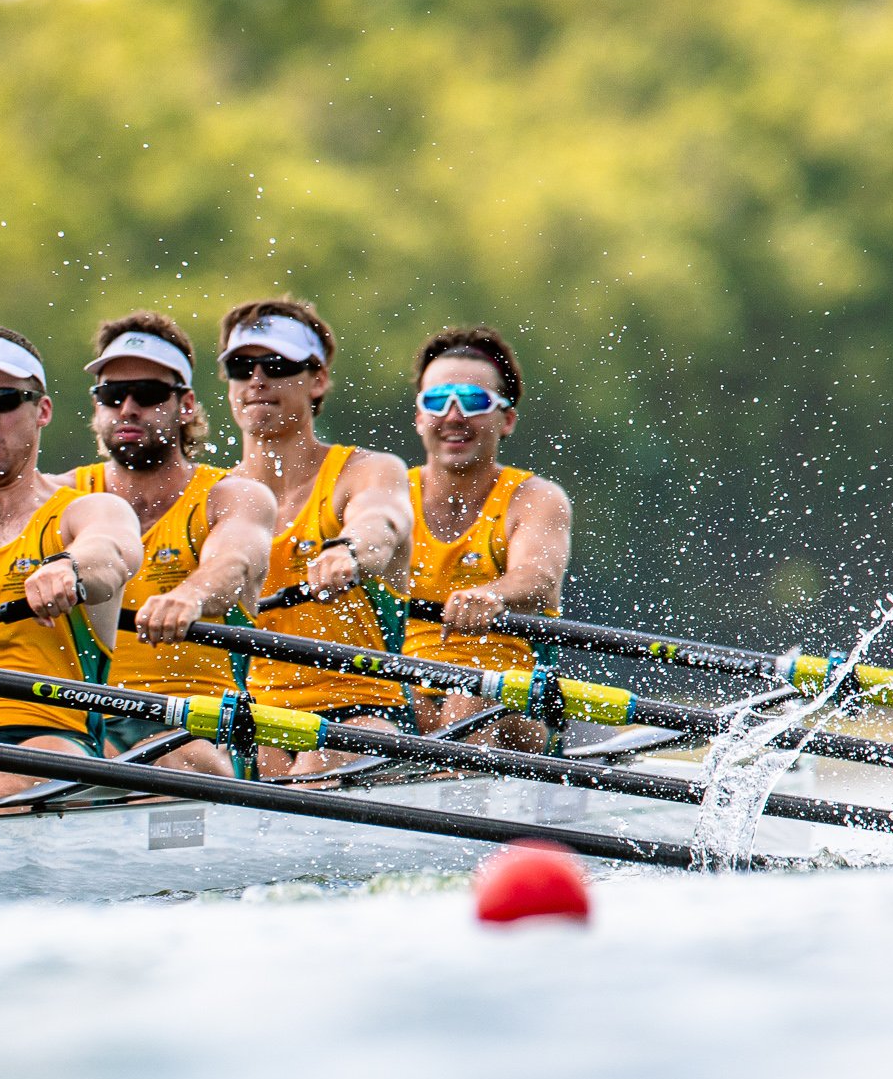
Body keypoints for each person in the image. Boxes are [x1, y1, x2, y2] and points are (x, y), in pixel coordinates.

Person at [60, 312, 281, 777]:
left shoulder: (233, 496)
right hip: (79, 721)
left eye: (149, 394)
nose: (128, 408)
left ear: (185, 405)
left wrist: (189, 596)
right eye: (111, 395)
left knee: (179, 760)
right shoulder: (62, 498)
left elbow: (235, 564)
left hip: (197, 723)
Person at [0, 326, 140, 801]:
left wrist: (69, 567)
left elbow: (111, 552)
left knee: (0, 784)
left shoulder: (82, 511)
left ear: (42, 410)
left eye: (3, 400)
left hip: (56, 738)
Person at [217, 297, 416, 778]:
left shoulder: (366, 471)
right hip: (255, 720)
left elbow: (379, 523)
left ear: (318, 379)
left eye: (278, 365)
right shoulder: (217, 497)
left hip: (364, 711)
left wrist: (349, 549)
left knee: (316, 763)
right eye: (242, 367)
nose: (257, 380)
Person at [400, 326, 574, 749]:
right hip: (406, 688)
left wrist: (492, 595)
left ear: (507, 419)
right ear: (420, 416)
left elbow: (538, 578)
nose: (454, 417)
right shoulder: (388, 497)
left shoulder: (535, 498)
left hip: (510, 701)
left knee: (467, 696)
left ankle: (450, 807)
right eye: (438, 402)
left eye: (474, 401)